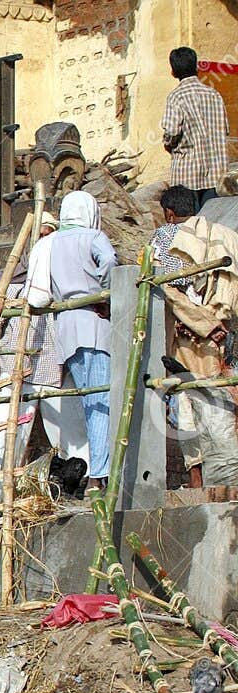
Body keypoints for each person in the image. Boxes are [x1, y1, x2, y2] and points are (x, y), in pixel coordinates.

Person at [26, 190, 118, 492]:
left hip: (64, 325)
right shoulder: (93, 237)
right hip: (92, 320)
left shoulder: (49, 244)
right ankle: (99, 474)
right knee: (100, 400)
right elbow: (110, 262)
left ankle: (97, 468)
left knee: (88, 398)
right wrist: (106, 293)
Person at [155, 185, 238, 487]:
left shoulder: (167, 236)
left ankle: (197, 481)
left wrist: (200, 321)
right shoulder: (225, 235)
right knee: (222, 400)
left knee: (188, 403)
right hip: (225, 331)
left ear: (170, 213)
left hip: (190, 333)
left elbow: (166, 285)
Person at [0, 256, 61, 508]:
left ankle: (68, 491)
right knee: (4, 434)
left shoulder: (60, 284)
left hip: (53, 370)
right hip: (16, 370)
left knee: (66, 437)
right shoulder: (10, 286)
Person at [162, 47, 230, 209]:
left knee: (191, 223)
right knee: (212, 222)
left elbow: (171, 131)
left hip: (187, 173)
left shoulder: (176, 96)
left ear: (173, 72)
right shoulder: (214, 94)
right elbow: (225, 128)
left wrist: (168, 143)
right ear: (197, 67)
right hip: (216, 171)